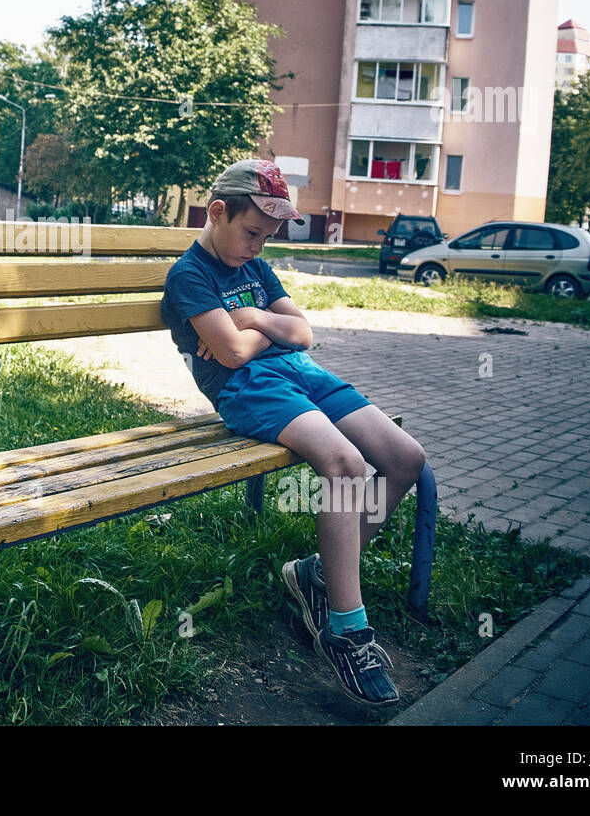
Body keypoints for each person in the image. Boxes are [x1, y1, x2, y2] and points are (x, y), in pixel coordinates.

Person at [161, 159, 426, 706]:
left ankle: (317, 576)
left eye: (268, 237)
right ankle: (346, 630)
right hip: (248, 391)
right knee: (346, 464)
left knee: (405, 457)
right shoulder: (191, 276)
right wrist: (267, 332)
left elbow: (303, 334)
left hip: (299, 374)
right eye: (252, 233)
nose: (258, 247)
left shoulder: (255, 270)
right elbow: (231, 357)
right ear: (217, 213)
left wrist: (255, 320)